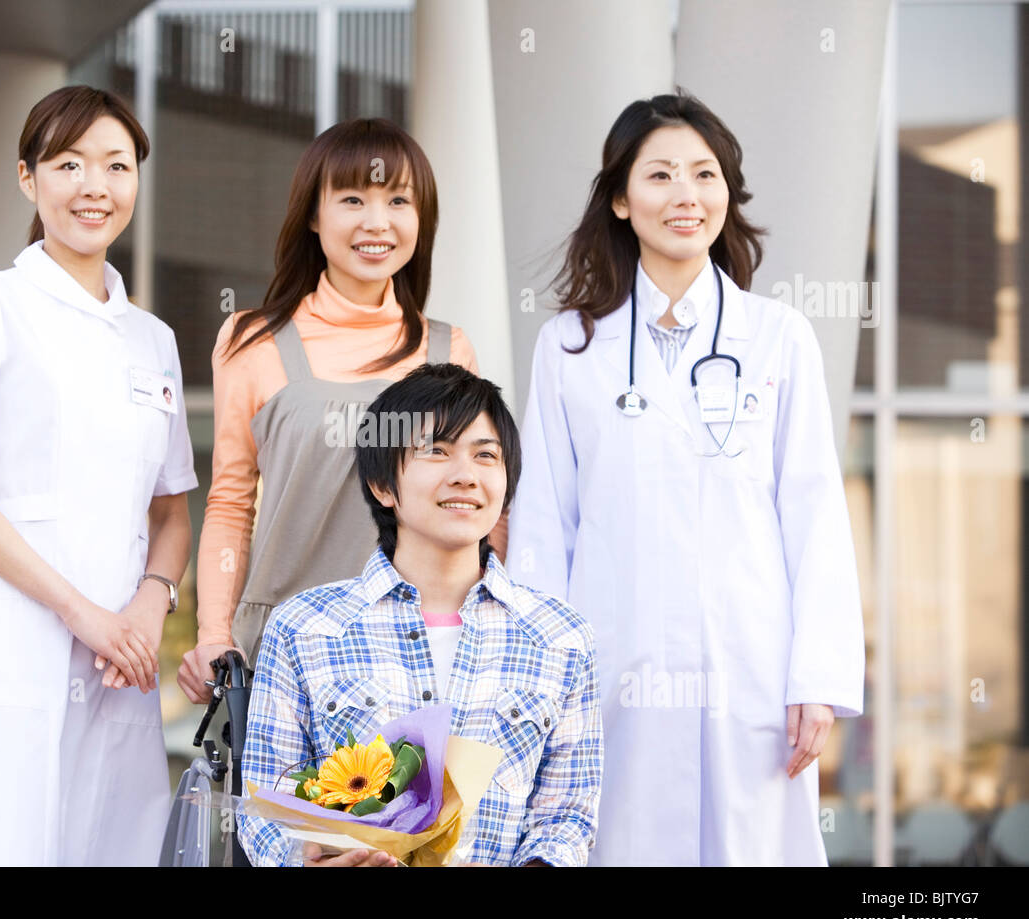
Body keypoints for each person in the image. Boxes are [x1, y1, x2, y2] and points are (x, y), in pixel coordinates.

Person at [507, 91, 864, 866]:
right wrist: (539, 685)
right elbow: (543, 524)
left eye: (705, 175)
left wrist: (818, 676)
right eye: (661, 175)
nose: (686, 195)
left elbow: (814, 514)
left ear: (727, 195)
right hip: (612, 666)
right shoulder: (570, 345)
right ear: (621, 200)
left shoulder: (777, 338)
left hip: (750, 666)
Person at [0, 86, 197, 865]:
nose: (94, 186)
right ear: (28, 178)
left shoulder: (152, 339)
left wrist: (145, 609)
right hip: (14, 643)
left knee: (109, 840)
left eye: (116, 166)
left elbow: (171, 512)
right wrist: (80, 611)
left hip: (118, 664)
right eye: (69, 164)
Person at [179, 118, 501, 703]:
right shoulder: (252, 339)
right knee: (280, 800)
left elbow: (475, 504)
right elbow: (229, 502)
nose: (376, 222)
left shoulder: (448, 349)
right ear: (312, 214)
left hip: (419, 651)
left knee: (421, 799)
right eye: (352, 199)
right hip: (281, 650)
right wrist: (214, 636)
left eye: (398, 200)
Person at [236, 364, 602, 866]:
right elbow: (265, 805)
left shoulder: (560, 637)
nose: (466, 475)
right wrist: (309, 858)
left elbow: (566, 818)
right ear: (384, 486)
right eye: (436, 451)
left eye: (486, 456)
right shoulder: (304, 627)